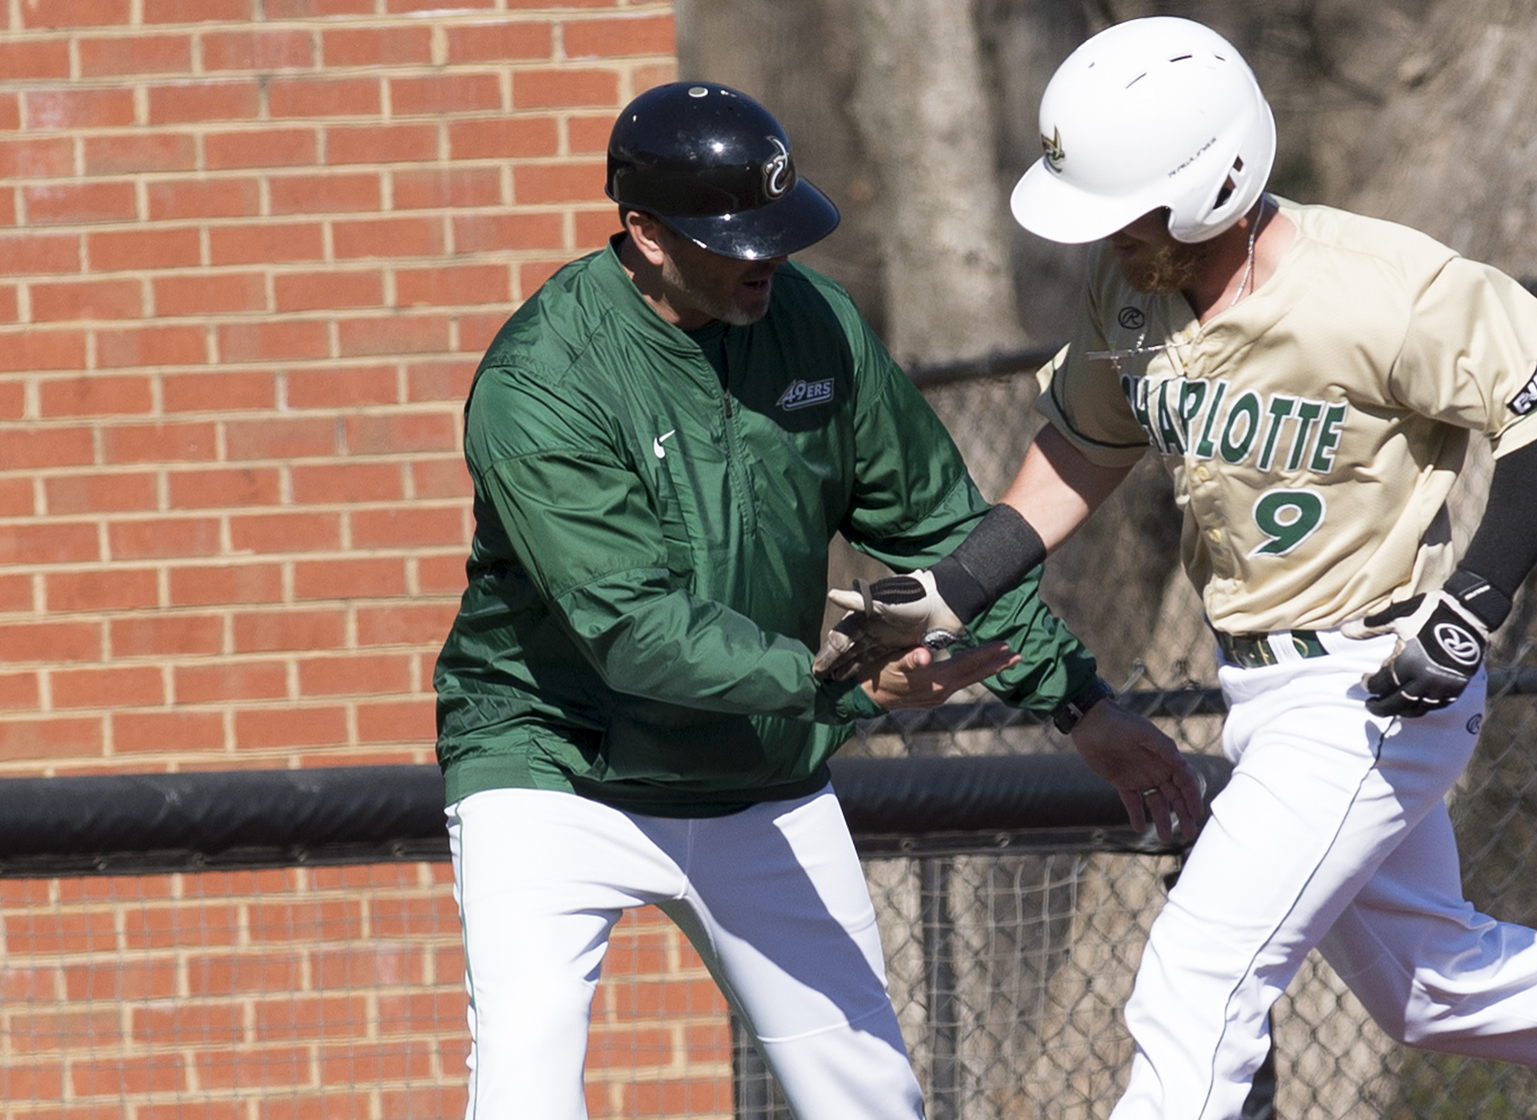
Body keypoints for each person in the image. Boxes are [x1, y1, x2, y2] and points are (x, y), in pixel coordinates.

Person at [818, 17, 1537, 1120]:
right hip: (1259, 687)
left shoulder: (1377, 283)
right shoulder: (1131, 293)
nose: (1106, 237)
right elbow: (1079, 449)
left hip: (1373, 682)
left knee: (1195, 975)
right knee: (1432, 988)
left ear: (1212, 182)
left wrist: (1469, 611)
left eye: (1126, 212)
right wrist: (949, 587)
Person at [430, 80, 1203, 1120]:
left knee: (868, 1098)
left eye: (777, 230)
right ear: (645, 234)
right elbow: (631, 630)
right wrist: (832, 678)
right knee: (525, 1095)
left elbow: (941, 532)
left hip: (758, 771)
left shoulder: (814, 325)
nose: (766, 257)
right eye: (735, 237)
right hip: (559, 766)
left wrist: (1080, 705)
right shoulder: (544, 380)